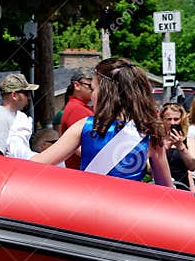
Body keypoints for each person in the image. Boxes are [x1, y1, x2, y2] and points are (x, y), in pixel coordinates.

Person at [30, 58, 173, 187]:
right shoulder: (150, 133)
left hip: (90, 211)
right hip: (129, 213)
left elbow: (37, 164)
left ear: (105, 92)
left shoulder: (84, 126)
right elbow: (166, 188)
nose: (92, 95)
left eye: (93, 88)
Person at [0, 73, 38, 155]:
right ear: (14, 95)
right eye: (26, 93)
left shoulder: (12, 115)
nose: (28, 98)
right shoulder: (0, 118)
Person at [160, 103, 195, 190]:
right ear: (162, 120)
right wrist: (166, 146)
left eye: (176, 119)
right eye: (169, 119)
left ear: (181, 120)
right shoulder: (156, 138)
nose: (172, 122)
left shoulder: (188, 138)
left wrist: (181, 146)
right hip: (161, 186)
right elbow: (150, 167)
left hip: (182, 187)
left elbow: (192, 166)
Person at [61, 67, 94, 133]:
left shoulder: (77, 106)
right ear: (77, 85)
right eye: (90, 85)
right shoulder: (78, 109)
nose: (94, 89)